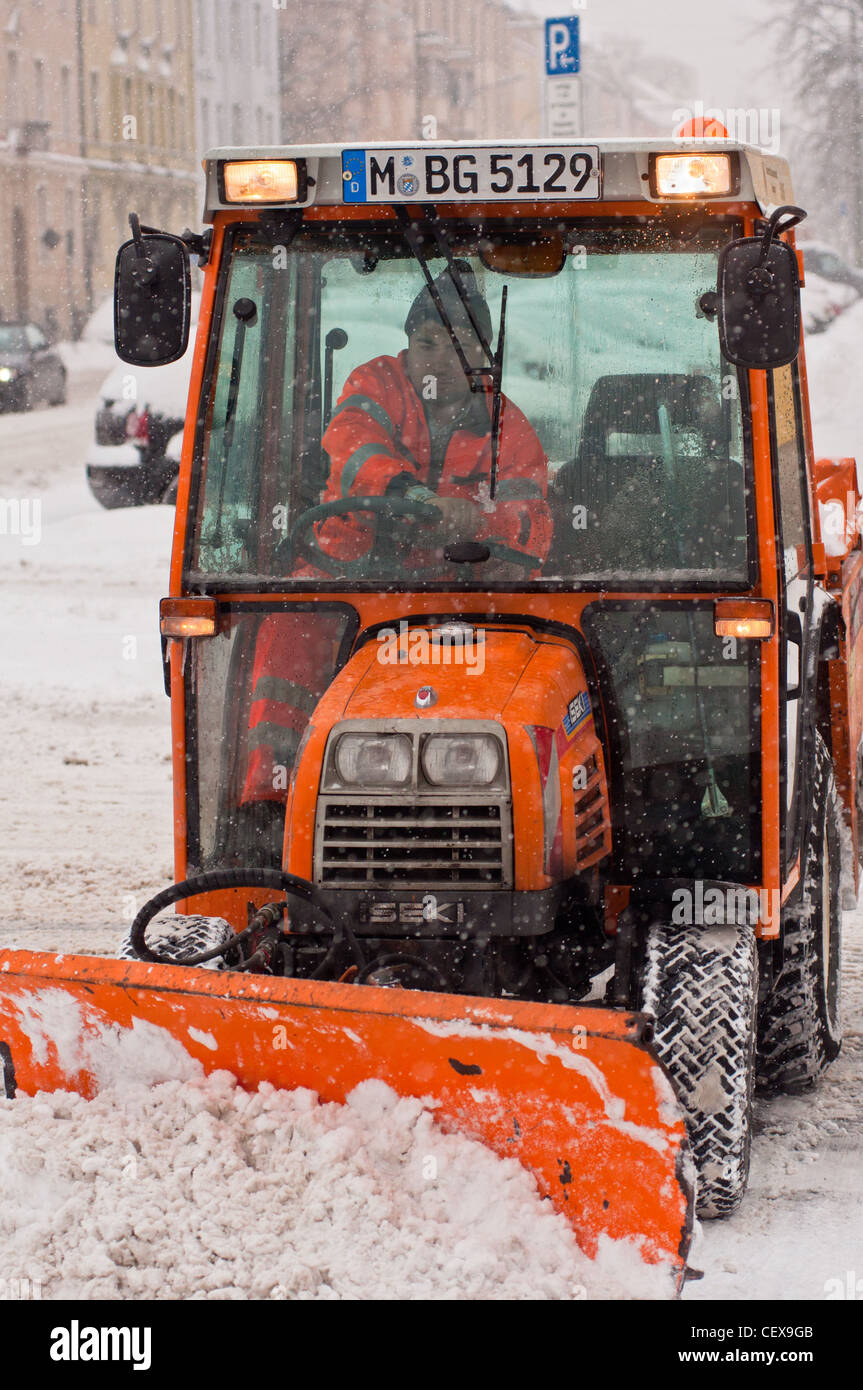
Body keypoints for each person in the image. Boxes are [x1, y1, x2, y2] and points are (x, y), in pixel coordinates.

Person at [316, 263, 552, 575]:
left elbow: (528, 518)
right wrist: (416, 500)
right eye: (428, 344)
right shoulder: (375, 386)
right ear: (409, 346)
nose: (441, 361)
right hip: (343, 577)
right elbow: (354, 453)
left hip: (457, 588)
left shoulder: (506, 424)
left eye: (462, 347)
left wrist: (486, 536)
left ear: (483, 357)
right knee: (284, 625)